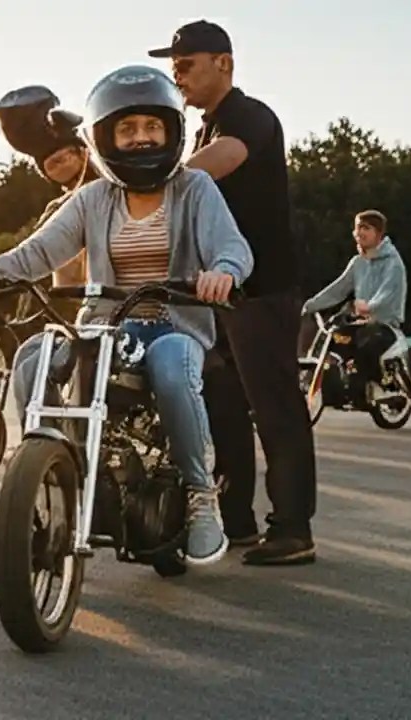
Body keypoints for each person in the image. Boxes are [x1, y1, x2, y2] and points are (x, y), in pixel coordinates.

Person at [0, 65, 254, 566]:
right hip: (106, 324)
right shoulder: (93, 198)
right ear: (106, 138)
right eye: (127, 129)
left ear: (171, 131)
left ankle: (202, 496)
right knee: (34, 356)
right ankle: (53, 466)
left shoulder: (195, 188)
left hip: (174, 322)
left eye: (151, 127)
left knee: (173, 363)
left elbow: (233, 247)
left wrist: (222, 271)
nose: (141, 139)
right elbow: (39, 250)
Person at [150, 20, 318, 565]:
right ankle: (237, 520)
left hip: (261, 289)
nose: (178, 76)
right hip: (214, 297)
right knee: (221, 406)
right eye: (173, 67)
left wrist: (149, 180)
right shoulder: (201, 128)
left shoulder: (248, 116)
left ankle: (292, 528)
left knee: (274, 406)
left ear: (223, 62)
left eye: (187, 64)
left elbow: (221, 162)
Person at [0, 84, 102, 420]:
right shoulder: (59, 207)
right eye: (47, 164)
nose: (54, 165)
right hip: (68, 303)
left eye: (62, 156)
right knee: (28, 357)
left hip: (102, 307)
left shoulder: (105, 194)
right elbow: (45, 257)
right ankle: (47, 434)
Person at [301, 210, 407, 389]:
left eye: (365, 228)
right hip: (360, 322)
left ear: (379, 233)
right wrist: (310, 305)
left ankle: (377, 385)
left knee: (367, 345)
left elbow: (387, 291)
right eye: (357, 228)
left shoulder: (393, 263)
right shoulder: (357, 262)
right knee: (331, 335)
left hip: (385, 324)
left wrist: (369, 306)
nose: (359, 232)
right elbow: (338, 290)